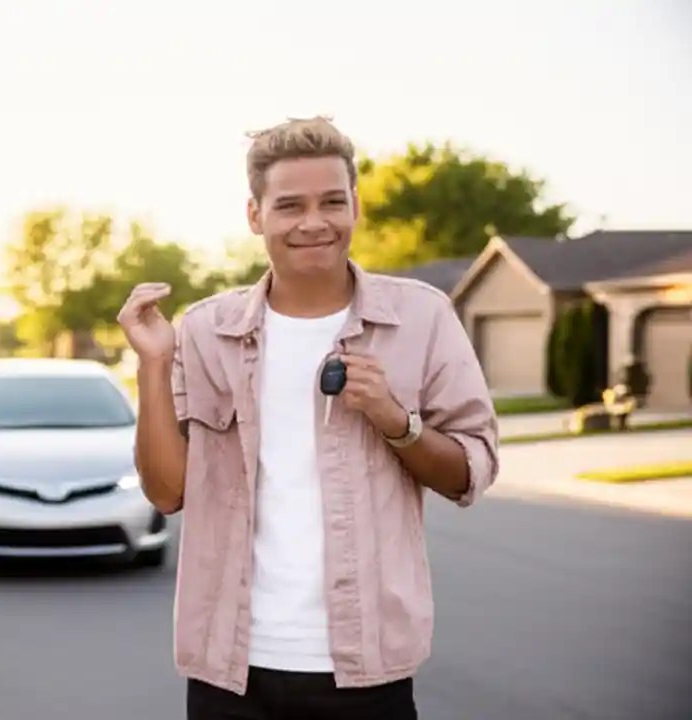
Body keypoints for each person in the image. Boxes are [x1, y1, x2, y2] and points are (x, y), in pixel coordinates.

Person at [116, 116, 499, 720]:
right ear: (255, 216)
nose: (314, 222)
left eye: (331, 202)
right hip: (231, 670)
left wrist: (395, 420)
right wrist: (154, 364)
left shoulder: (422, 317)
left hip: (366, 671)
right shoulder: (205, 331)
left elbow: (469, 474)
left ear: (356, 207)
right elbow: (166, 493)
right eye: (290, 205)